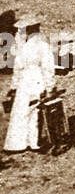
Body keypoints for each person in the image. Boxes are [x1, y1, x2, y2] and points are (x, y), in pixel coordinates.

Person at [3, 16, 54, 153]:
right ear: (37, 29)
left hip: (25, 80)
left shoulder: (23, 48)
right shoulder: (44, 46)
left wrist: (14, 85)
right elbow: (48, 68)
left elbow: (18, 68)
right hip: (37, 78)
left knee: (21, 110)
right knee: (35, 110)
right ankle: (34, 142)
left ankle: (18, 143)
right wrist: (50, 86)